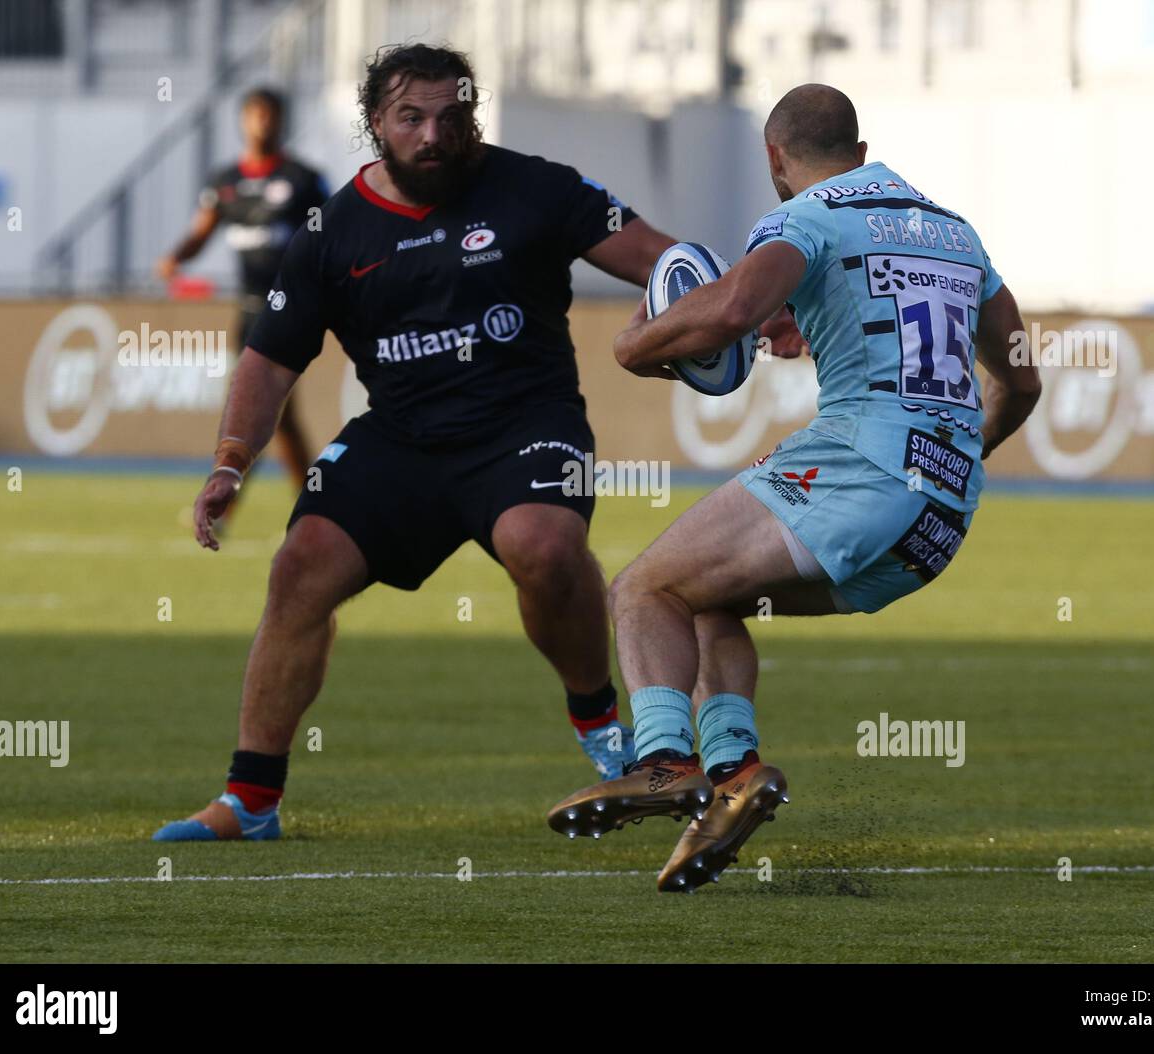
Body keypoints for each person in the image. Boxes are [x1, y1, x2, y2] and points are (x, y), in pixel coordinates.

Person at [153, 43, 685, 841]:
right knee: (299, 569)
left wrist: (754, 306)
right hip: (401, 439)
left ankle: (601, 723)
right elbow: (267, 360)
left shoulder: (538, 188)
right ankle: (249, 802)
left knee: (540, 546)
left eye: (450, 115)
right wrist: (230, 462)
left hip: (525, 425)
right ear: (376, 124)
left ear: (472, 116)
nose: (433, 134)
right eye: (411, 117)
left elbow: (659, 259)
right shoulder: (333, 231)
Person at [547, 84, 1042, 892]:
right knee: (707, 600)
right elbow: (1020, 382)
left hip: (859, 470)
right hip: (940, 520)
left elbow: (734, 306)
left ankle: (665, 763)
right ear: (859, 144)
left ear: (775, 159)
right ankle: (736, 774)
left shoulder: (804, 217)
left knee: (643, 588)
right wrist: (950, 464)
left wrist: (633, 346)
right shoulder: (955, 233)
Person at [156, 86, 327, 495]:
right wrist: (176, 257)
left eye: (270, 115)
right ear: (242, 120)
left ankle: (247, 500)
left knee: (264, 409)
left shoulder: (302, 179)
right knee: (268, 413)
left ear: (282, 120)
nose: (262, 123)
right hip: (250, 310)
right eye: (255, 114)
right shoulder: (226, 182)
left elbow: (329, 235)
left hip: (291, 309)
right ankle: (310, 498)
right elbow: (202, 231)